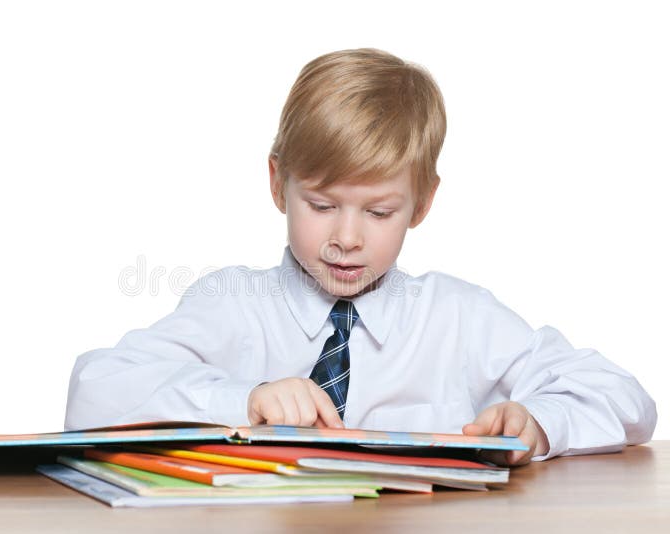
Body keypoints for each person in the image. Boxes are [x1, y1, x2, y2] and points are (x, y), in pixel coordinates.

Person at [65, 48, 656, 465]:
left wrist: (542, 423)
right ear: (277, 184)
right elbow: (93, 392)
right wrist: (242, 401)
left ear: (422, 203)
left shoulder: (459, 318)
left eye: (378, 212)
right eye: (322, 205)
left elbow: (626, 399)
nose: (347, 238)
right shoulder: (234, 306)